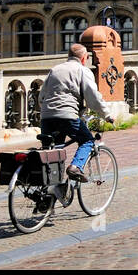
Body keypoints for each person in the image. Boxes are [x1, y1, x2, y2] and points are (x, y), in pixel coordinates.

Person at [40, 43, 118, 182]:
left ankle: (48, 192)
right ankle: (76, 167)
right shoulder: (82, 70)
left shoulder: (55, 69)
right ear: (84, 58)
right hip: (67, 116)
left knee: (51, 153)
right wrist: (107, 115)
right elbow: (93, 97)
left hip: (46, 116)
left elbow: (41, 96)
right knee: (87, 140)